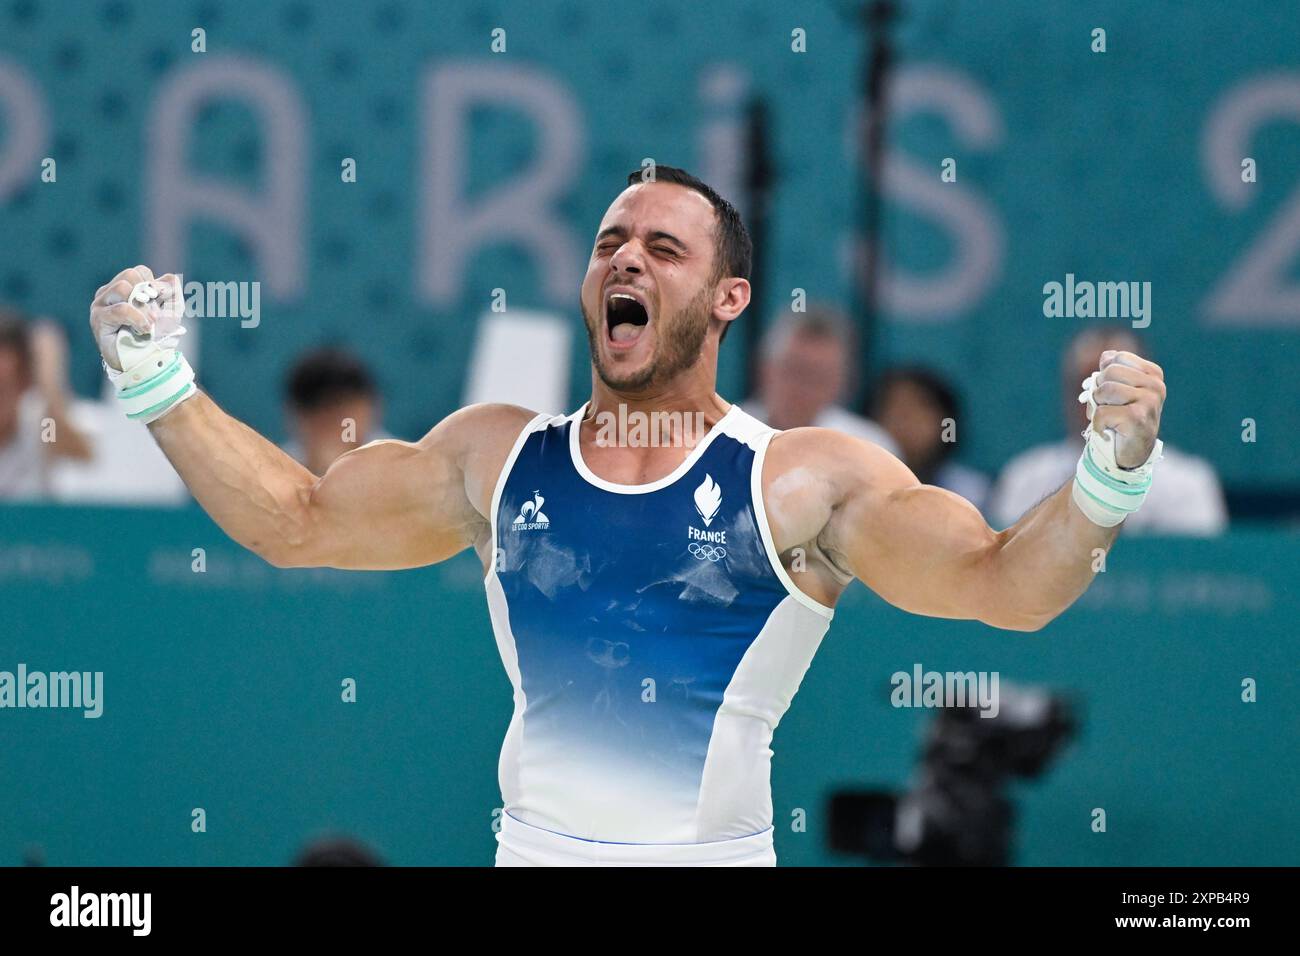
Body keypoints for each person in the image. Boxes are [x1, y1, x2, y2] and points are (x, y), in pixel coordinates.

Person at [86, 166, 1169, 867]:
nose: (625, 258)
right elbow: (298, 518)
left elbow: (1002, 587)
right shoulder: (496, 454)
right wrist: (158, 388)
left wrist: (1105, 480)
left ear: (729, 300)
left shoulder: (804, 478)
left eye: (663, 248)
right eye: (611, 240)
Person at [989, 327, 1225, 535]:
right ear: (1068, 394)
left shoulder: (1189, 484)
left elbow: (1196, 572)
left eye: (1118, 388)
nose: (1101, 402)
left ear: (1151, 396)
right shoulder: (1023, 478)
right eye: (1088, 387)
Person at [743, 305, 897, 455]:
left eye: (818, 378)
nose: (804, 388)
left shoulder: (872, 449)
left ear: (842, 383)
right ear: (765, 368)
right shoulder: (728, 432)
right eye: (796, 370)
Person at [0, 310, 93, 499]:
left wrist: (49, 384)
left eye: (4, 389)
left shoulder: (41, 425)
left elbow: (73, 453)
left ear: (25, 382)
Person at [871, 366, 990, 512]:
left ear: (947, 424)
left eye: (920, 408)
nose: (905, 419)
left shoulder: (973, 492)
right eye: (894, 407)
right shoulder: (860, 486)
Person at [282, 347, 389, 476]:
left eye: (340, 406)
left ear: (371, 405)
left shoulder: (402, 463)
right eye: (315, 407)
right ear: (293, 415)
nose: (330, 422)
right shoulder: (275, 469)